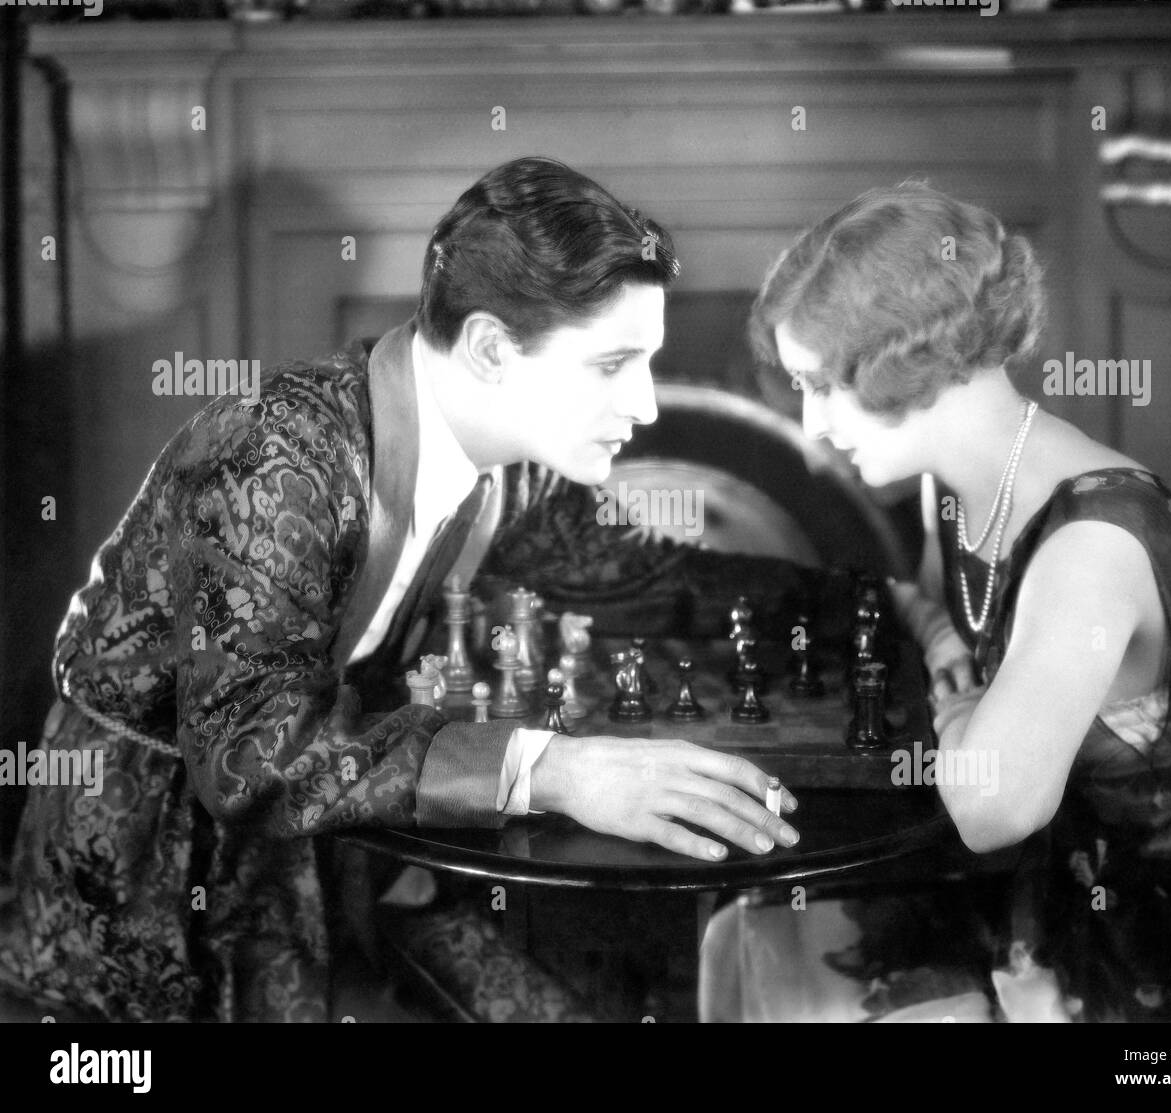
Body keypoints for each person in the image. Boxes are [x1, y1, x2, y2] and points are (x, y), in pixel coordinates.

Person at [0, 157, 805, 1022]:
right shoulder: (279, 453)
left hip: (323, 857)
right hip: (143, 880)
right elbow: (247, 750)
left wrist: (895, 612)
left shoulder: (512, 469)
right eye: (613, 364)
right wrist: (556, 769)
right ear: (493, 347)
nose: (645, 405)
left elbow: (648, 572)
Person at [701, 182, 1171, 1022]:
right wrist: (950, 675)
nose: (811, 423)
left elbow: (989, 806)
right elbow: (948, 649)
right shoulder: (948, 493)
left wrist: (962, 721)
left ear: (906, 359)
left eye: (823, 384)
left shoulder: (1095, 543)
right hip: (1063, 898)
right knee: (742, 939)